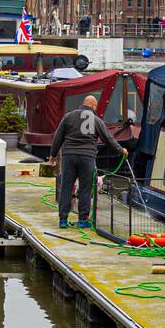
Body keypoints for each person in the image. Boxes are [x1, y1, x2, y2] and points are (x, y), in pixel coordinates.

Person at [49, 94, 126, 229]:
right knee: (85, 188)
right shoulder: (96, 120)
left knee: (66, 187)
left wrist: (53, 155)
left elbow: (58, 136)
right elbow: (108, 139)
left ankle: (63, 220)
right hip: (87, 157)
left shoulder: (68, 116)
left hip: (69, 156)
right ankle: (83, 220)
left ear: (83, 104)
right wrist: (121, 151)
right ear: (93, 106)